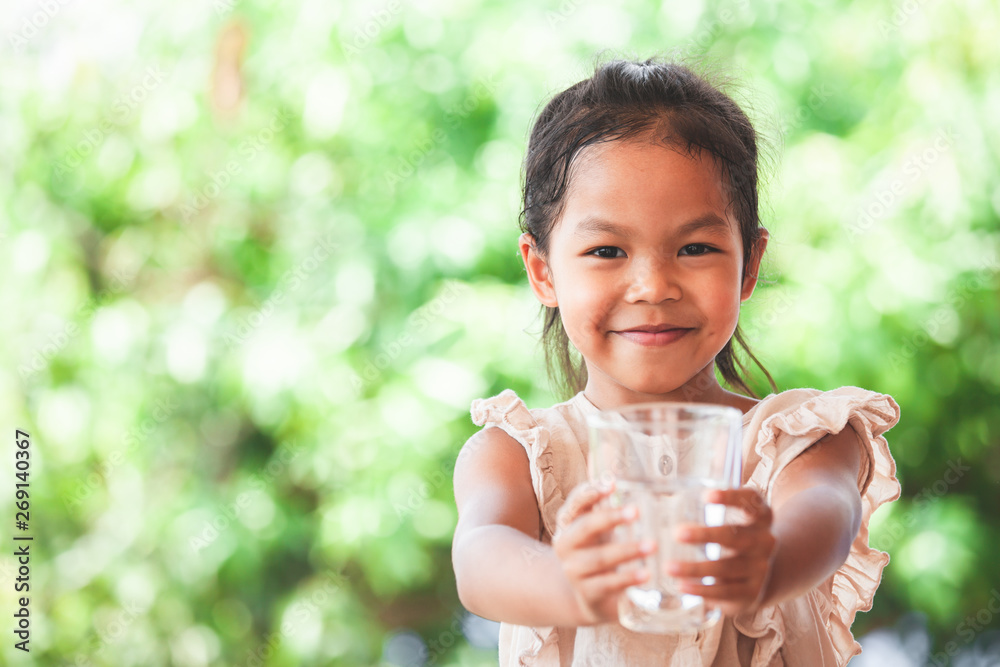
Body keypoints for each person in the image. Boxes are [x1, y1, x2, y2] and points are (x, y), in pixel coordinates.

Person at [450, 56, 901, 666]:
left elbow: (827, 510)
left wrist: (767, 562)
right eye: (607, 250)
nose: (653, 285)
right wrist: (568, 584)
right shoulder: (518, 455)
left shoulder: (797, 441)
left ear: (749, 265)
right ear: (542, 270)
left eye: (695, 247)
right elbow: (480, 560)